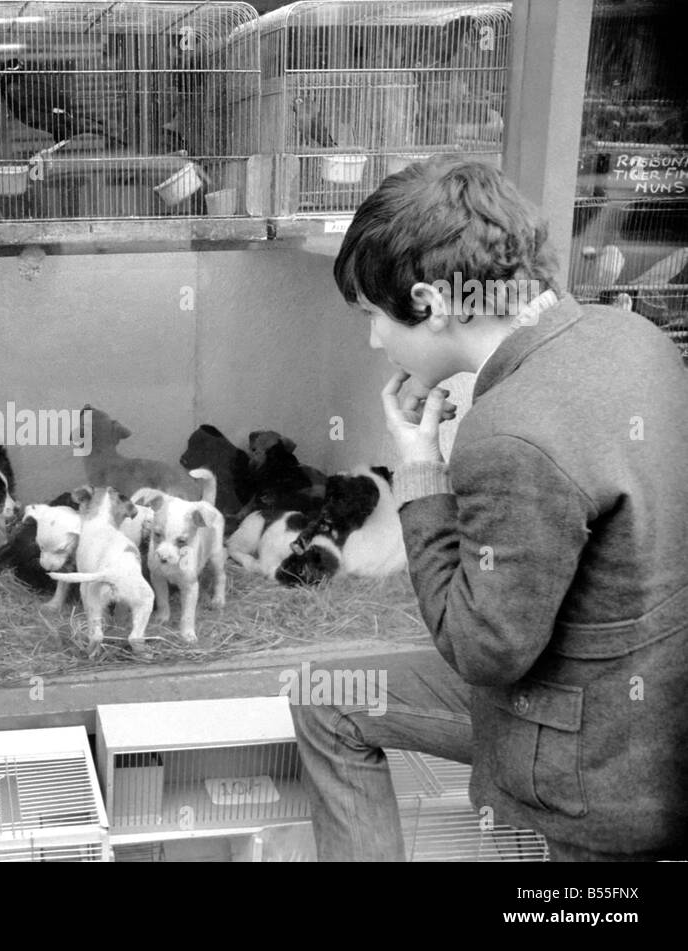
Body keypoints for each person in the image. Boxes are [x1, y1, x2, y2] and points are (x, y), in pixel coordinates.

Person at [290, 156, 688, 861]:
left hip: (595, 773)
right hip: (654, 712)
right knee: (328, 694)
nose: (373, 341)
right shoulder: (632, 338)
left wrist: (418, 468)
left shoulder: (508, 433)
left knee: (326, 696)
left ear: (433, 305)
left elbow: (482, 650)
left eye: (372, 316)